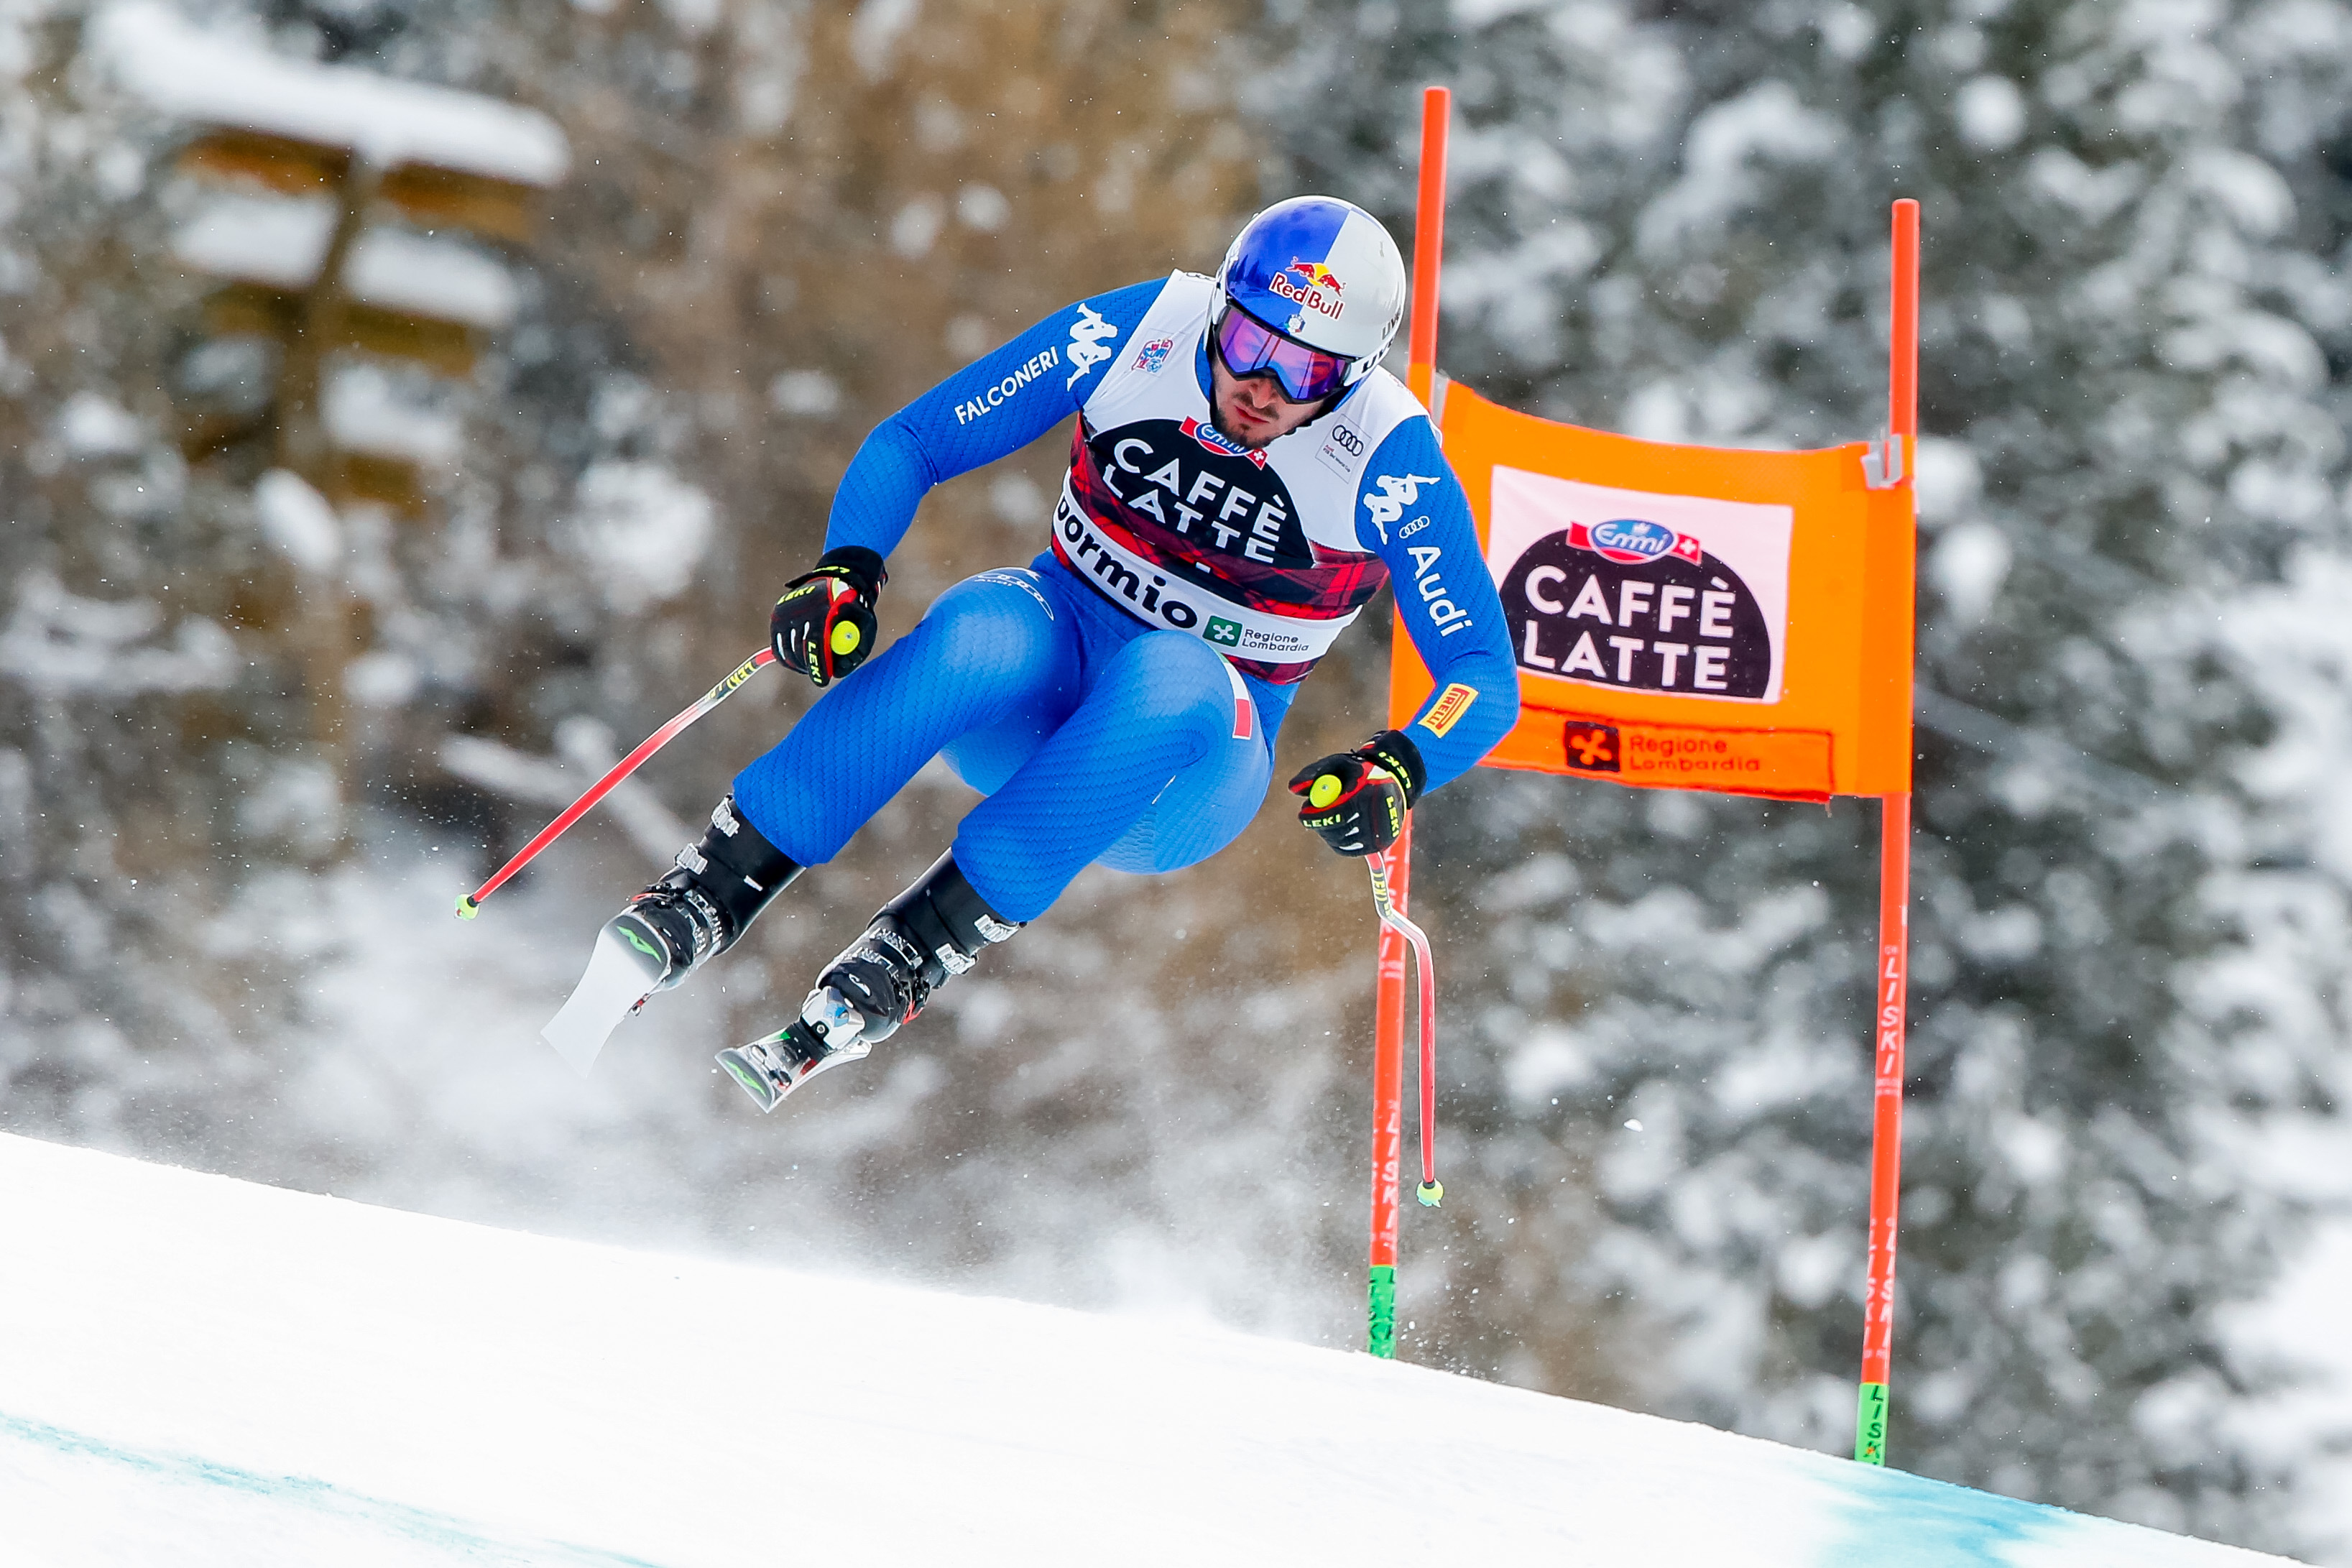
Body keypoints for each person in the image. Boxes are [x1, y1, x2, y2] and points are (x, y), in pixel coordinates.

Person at [555, 195, 1518, 1108]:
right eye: (1252, 342)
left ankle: (915, 950)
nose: (1261, 385)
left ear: (1351, 377)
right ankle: (709, 889)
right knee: (985, 621)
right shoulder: (1144, 329)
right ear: (1221, 309)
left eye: (1304, 371)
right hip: (1043, 680)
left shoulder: (1388, 456)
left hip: (1173, 776)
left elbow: (1480, 669)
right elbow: (915, 440)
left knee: (1173, 669)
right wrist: (846, 567)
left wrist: (1401, 761)